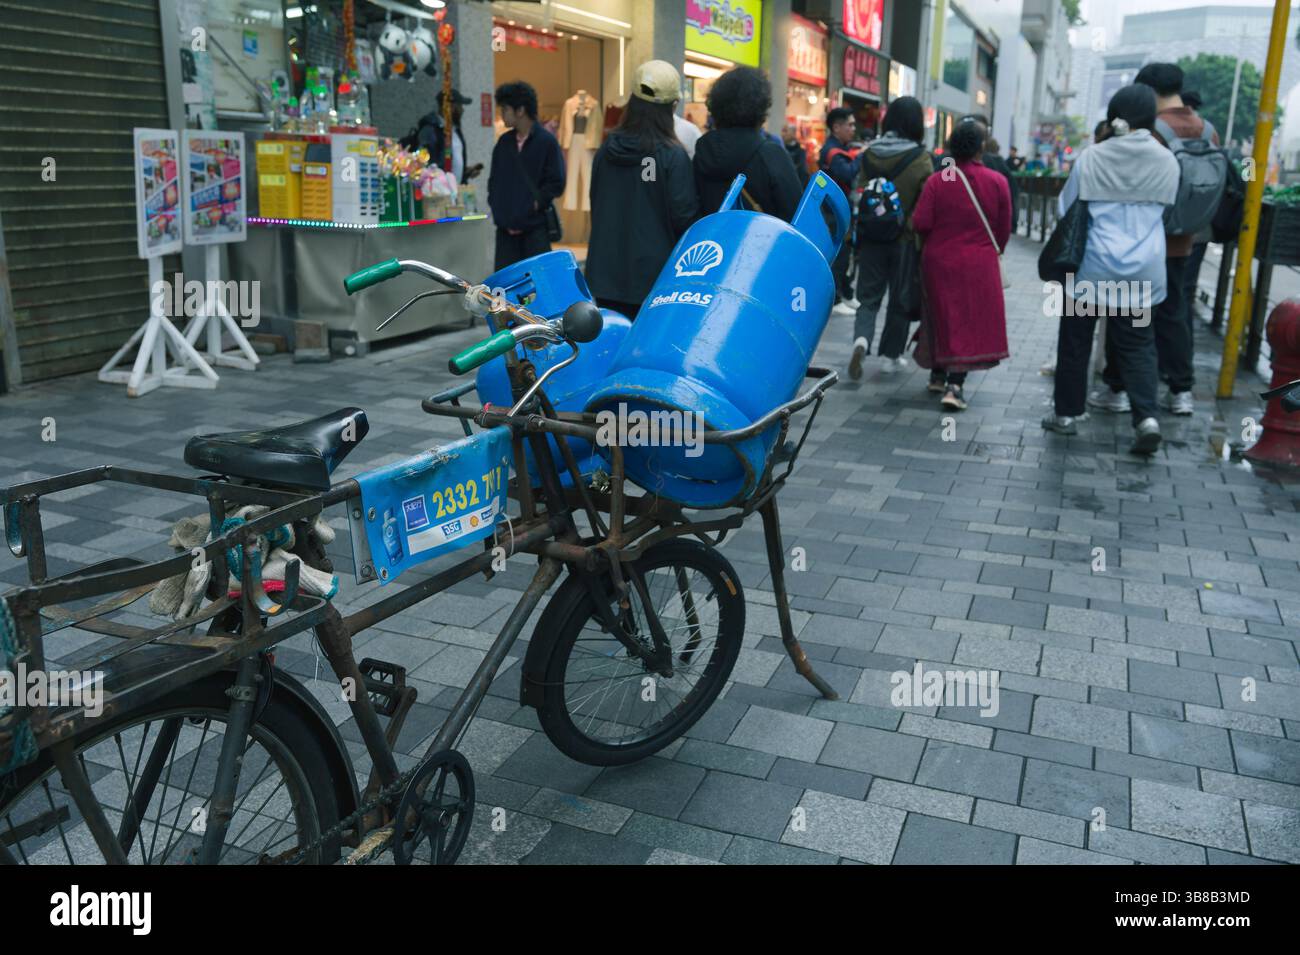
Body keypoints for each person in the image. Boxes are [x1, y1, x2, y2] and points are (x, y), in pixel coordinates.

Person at [1041, 85, 1180, 455]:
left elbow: (1066, 206)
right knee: (1137, 346)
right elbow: (1169, 212)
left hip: (1091, 268)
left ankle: (1066, 415)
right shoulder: (1167, 161)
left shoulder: (1093, 157)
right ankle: (1146, 419)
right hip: (1142, 273)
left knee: (1075, 342)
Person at [1134, 61, 1217, 416]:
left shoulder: (1153, 130)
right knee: (1176, 310)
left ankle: (1129, 385)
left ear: (1150, 92)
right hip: (1192, 235)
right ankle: (1181, 390)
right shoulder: (1208, 129)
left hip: (1150, 235)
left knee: (1138, 312)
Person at [584, 61, 698, 319]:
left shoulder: (606, 151)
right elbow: (684, 217)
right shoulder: (672, 156)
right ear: (672, 107)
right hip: (654, 281)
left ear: (632, 102)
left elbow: (597, 205)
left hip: (605, 276)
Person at [911, 119, 1012, 411]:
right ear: (981, 147)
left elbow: (920, 222)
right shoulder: (998, 182)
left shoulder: (938, 180)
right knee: (967, 322)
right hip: (980, 263)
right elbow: (1004, 230)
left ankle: (937, 374)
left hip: (939, 261)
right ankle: (955, 385)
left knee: (941, 316)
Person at [848, 95, 932, 378]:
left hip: (872, 236)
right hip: (904, 241)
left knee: (868, 296)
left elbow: (858, 191)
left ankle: (861, 340)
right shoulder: (920, 157)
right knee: (899, 298)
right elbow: (926, 201)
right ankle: (890, 356)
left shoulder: (870, 153)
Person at [693, 66, 803, 222]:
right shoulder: (772, 155)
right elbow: (797, 215)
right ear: (762, 106)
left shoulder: (703, 151)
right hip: (763, 243)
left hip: (713, 244)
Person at [487, 81, 566, 271]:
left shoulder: (547, 142)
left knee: (537, 287)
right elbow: (494, 183)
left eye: (505, 109)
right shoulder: (504, 143)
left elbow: (557, 182)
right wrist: (499, 211)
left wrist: (535, 205)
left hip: (535, 231)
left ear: (520, 110)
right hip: (505, 233)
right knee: (505, 289)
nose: (502, 114)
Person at [820, 107, 859, 312]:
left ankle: (846, 293)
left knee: (845, 253)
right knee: (838, 254)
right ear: (836, 127)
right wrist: (860, 158)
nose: (853, 128)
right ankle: (835, 300)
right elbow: (847, 174)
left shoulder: (841, 149)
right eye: (849, 124)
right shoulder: (832, 152)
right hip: (832, 211)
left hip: (840, 210)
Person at [1179, 89, 1211, 332]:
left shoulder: (1164, 128)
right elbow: (1245, 173)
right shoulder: (1211, 132)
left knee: (1164, 293)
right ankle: (1181, 360)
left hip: (1169, 225)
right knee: (1185, 291)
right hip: (1201, 225)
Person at [405, 89, 482, 184]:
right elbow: (425, 165)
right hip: (439, 193)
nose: (462, 110)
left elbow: (449, 164)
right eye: (459, 106)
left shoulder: (455, 131)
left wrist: (464, 173)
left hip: (455, 191)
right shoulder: (430, 131)